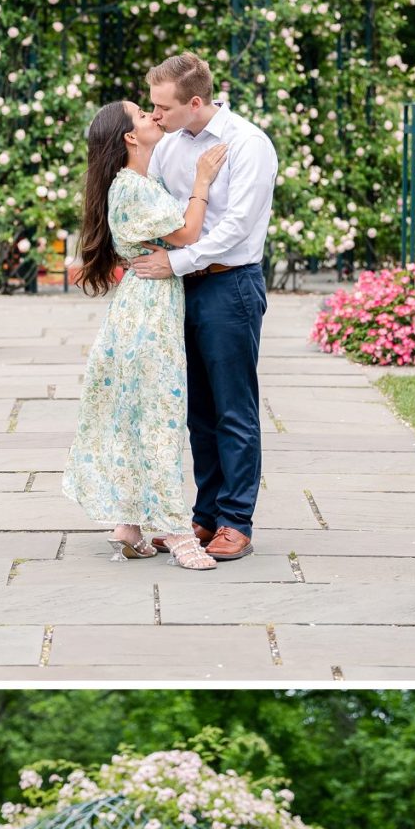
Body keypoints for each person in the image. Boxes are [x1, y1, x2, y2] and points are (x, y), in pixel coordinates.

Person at [62, 99, 229, 570]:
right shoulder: (134, 187)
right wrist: (201, 181)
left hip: (140, 308)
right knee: (160, 419)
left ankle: (129, 526)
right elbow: (189, 234)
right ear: (130, 138)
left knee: (138, 417)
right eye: (142, 114)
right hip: (148, 315)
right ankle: (177, 532)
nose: (154, 116)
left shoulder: (136, 183)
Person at [131, 52, 278, 564]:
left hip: (229, 285)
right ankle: (207, 513)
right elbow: (163, 211)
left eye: (163, 107)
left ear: (195, 102)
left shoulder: (247, 144)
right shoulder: (170, 145)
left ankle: (236, 520)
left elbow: (237, 227)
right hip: (181, 288)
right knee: (197, 410)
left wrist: (174, 262)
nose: (155, 116)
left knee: (233, 408)